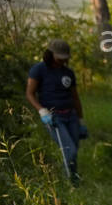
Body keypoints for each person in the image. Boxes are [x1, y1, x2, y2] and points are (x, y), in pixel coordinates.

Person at [26, 38, 85, 181]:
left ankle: (73, 177)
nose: (62, 61)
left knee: (74, 150)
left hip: (71, 115)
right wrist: (41, 110)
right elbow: (29, 93)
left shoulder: (68, 73)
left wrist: (80, 118)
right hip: (52, 116)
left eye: (65, 59)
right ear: (50, 54)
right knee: (68, 150)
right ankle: (70, 182)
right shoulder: (38, 70)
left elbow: (75, 96)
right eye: (59, 58)